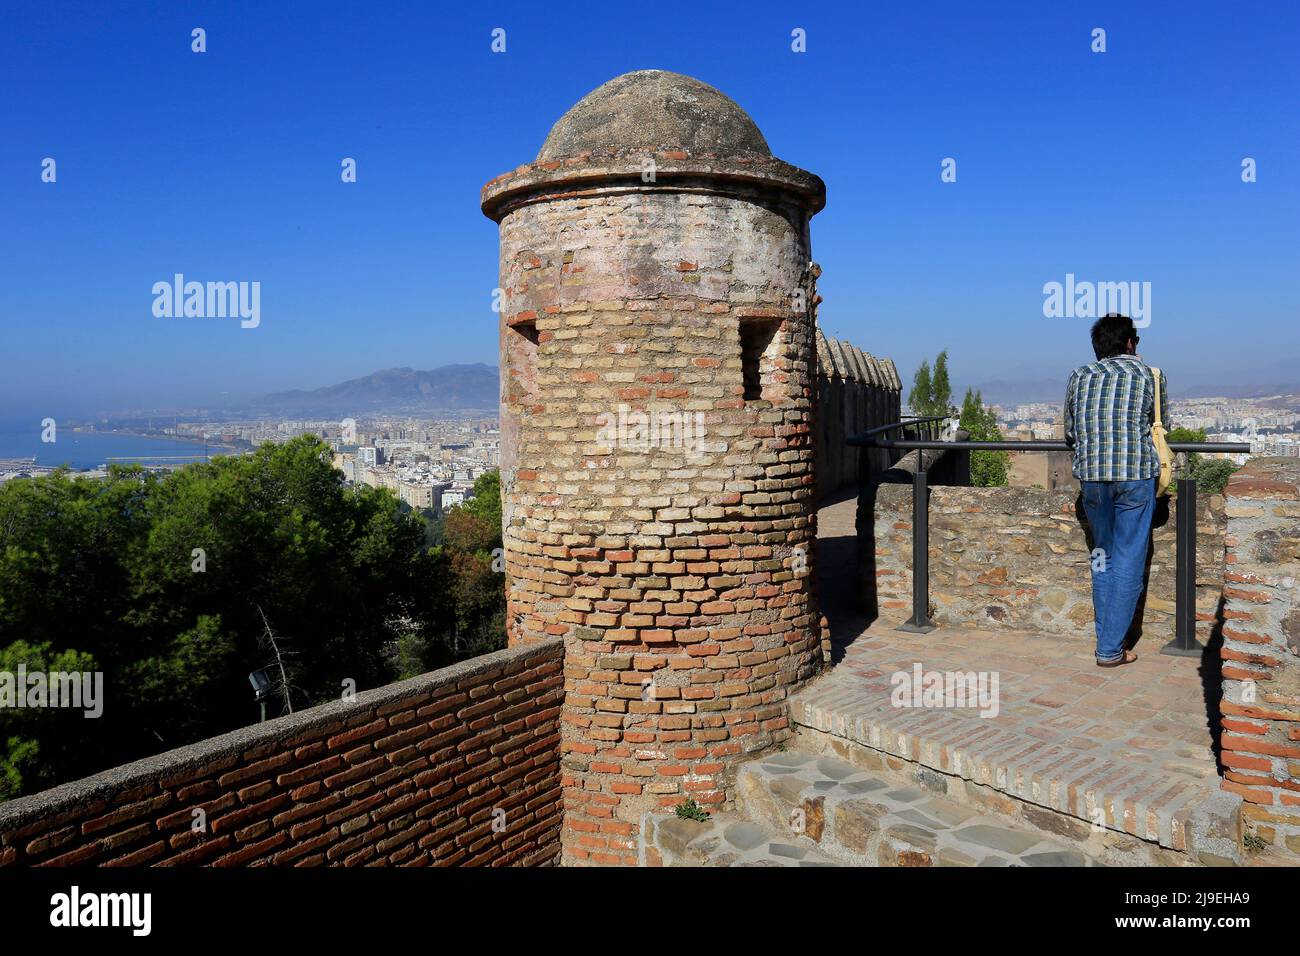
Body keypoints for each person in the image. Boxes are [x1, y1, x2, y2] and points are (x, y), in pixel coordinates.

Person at [1064, 313, 1167, 667]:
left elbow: (1070, 432)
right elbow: (1160, 425)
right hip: (1135, 477)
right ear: (1130, 343)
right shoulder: (1149, 375)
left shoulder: (1079, 376)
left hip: (1092, 480)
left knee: (1101, 556)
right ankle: (1109, 648)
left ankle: (1105, 637)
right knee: (1128, 560)